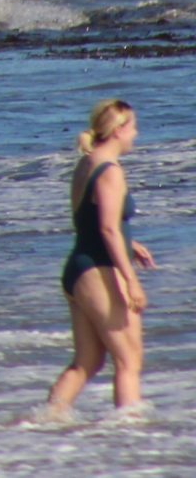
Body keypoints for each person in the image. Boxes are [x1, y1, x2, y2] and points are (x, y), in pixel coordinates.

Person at [49, 98, 156, 417]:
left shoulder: (86, 163)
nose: (136, 134)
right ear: (119, 129)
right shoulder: (110, 171)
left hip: (78, 268)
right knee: (129, 360)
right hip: (99, 269)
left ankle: (43, 422)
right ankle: (129, 431)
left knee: (87, 362)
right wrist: (131, 281)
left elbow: (88, 220)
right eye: (133, 127)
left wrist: (128, 241)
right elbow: (108, 229)